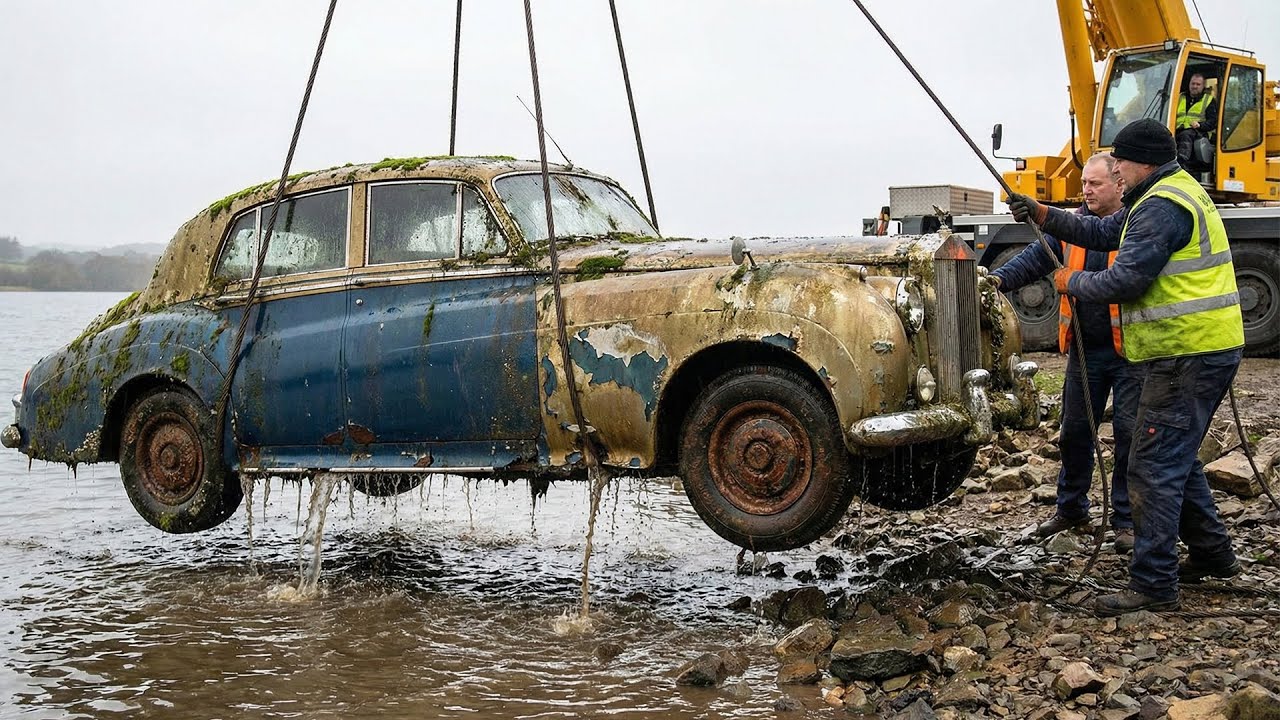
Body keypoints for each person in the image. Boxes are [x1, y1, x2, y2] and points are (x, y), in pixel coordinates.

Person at [1007, 118, 1245, 616]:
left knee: (1151, 464)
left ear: (1139, 163)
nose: (1114, 171)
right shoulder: (1165, 194)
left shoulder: (1161, 207)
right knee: (1175, 456)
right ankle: (1213, 554)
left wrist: (1070, 282)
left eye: (1118, 164)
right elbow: (1099, 230)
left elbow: (1125, 281)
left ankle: (1153, 585)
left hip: (1187, 353)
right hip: (1195, 349)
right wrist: (1043, 213)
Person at [989, 153, 1140, 555]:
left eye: (1096, 184)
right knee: (1074, 434)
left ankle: (1126, 520)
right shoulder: (1071, 226)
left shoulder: (1133, 225)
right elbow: (1033, 260)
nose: (1087, 190)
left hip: (1130, 353)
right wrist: (995, 280)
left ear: (1119, 184)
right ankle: (1071, 509)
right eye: (1085, 184)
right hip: (1084, 351)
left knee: (1128, 438)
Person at [1175, 72, 1218, 170]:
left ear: (1203, 86)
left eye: (1198, 84)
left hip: (1199, 132)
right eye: (1193, 84)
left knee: (1186, 135)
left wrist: (1200, 125)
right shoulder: (1180, 97)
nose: (1195, 86)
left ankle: (1181, 165)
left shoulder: (1208, 100)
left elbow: (1213, 122)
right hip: (1178, 129)